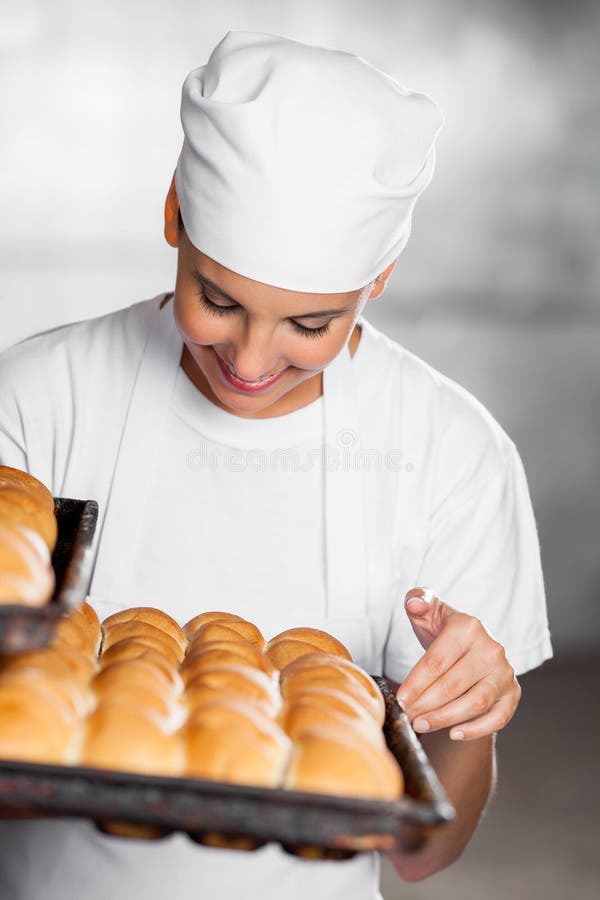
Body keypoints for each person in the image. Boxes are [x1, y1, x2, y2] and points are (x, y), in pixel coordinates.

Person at [0, 29, 552, 900]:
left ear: (378, 279)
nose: (252, 361)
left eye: (309, 326)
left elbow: (421, 853)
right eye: (218, 300)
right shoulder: (36, 398)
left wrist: (470, 718)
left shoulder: (454, 455)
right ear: (175, 213)